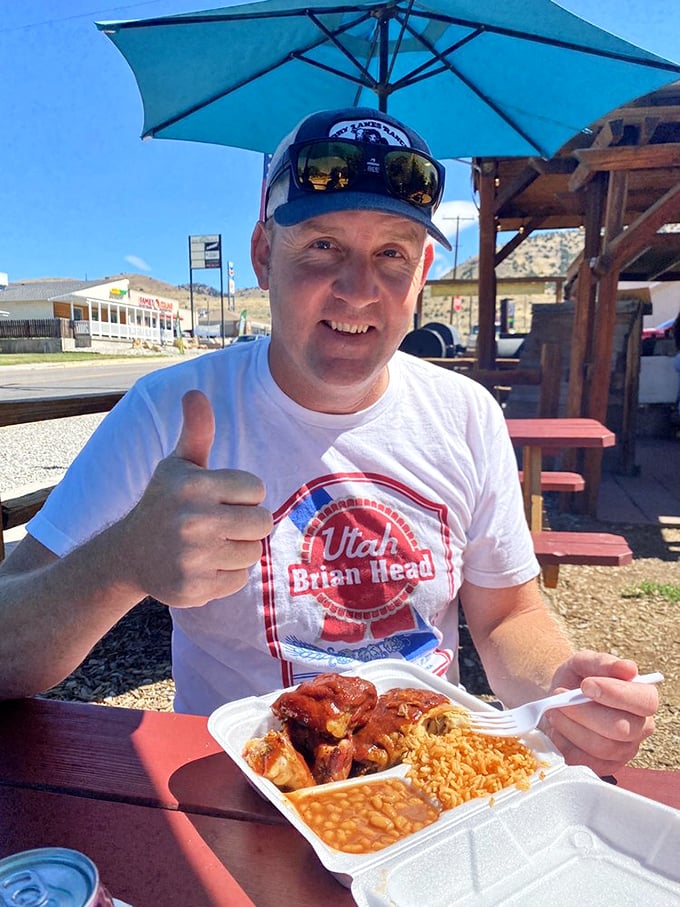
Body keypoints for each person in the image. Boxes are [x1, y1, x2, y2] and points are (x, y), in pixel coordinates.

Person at [0, 108, 657, 777]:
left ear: (423, 272)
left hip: (430, 786)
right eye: (322, 246)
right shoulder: (167, 411)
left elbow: (506, 614)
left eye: (392, 254)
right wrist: (122, 562)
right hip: (232, 787)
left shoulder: (466, 414)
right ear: (263, 255)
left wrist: (558, 690)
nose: (358, 290)